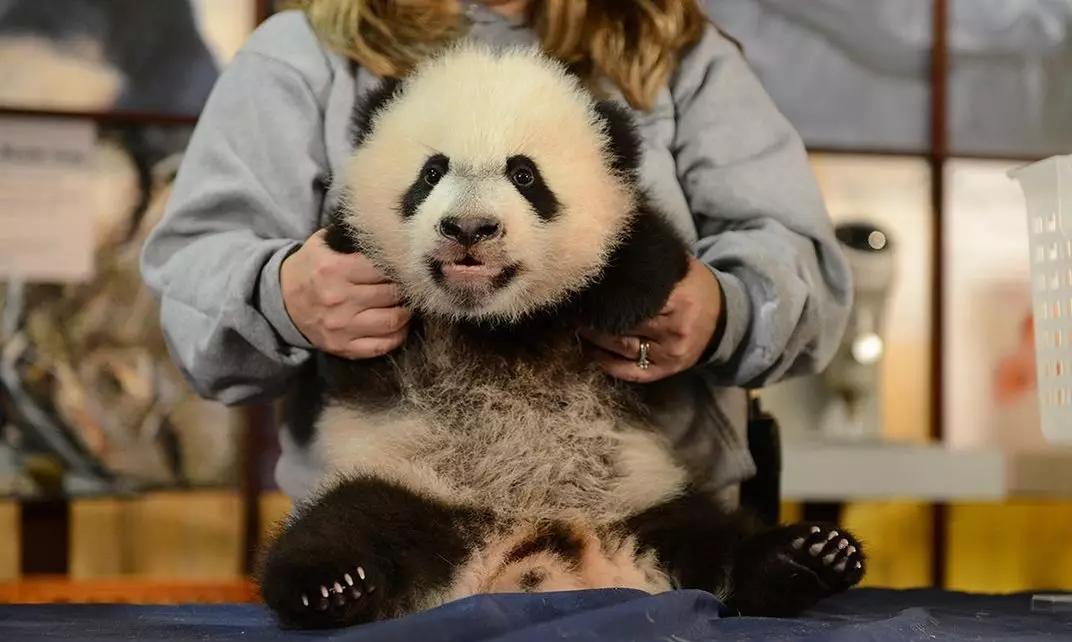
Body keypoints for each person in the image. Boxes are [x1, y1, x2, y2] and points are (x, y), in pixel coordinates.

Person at [140, 0, 853, 504]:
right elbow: (195, 305)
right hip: (398, 526)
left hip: (645, 521)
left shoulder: (673, 52)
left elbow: (809, 276)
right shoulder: (302, 56)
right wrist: (283, 294)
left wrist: (725, 309)